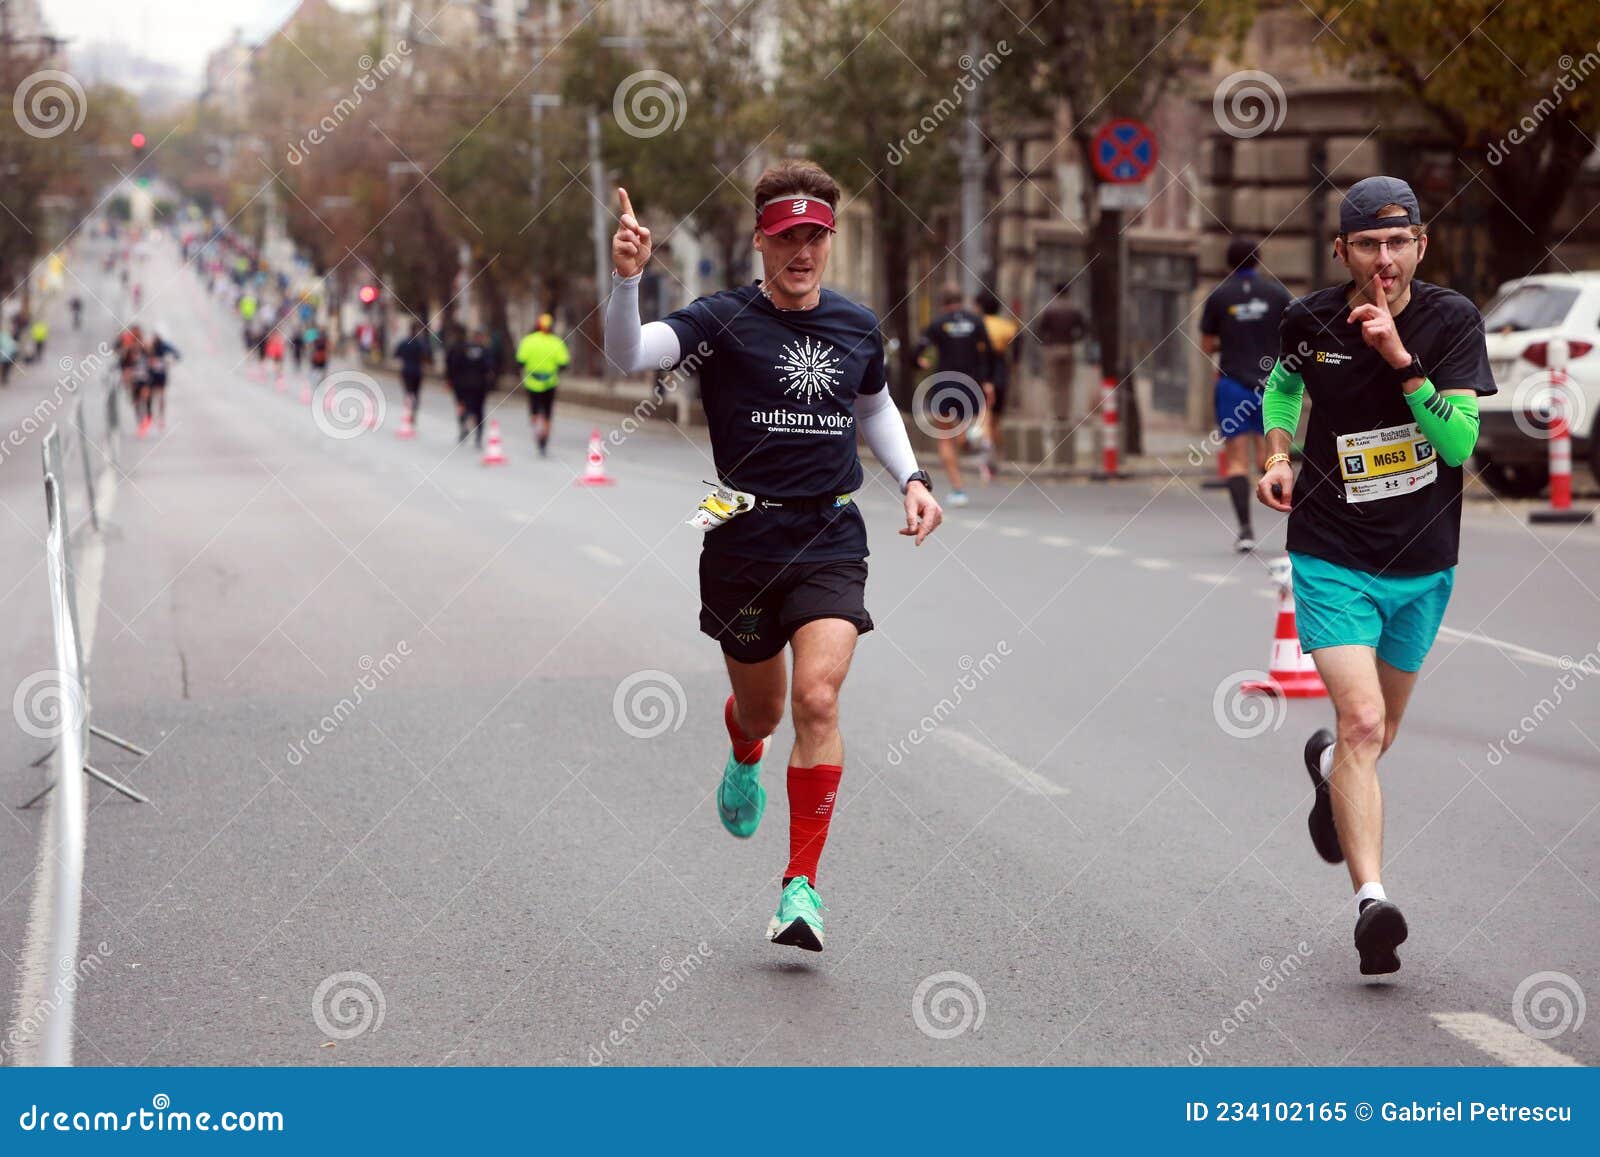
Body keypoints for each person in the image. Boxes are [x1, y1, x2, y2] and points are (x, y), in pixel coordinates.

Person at [605, 163, 941, 953]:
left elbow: (874, 404)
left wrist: (914, 477)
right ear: (761, 238)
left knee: (817, 700)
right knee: (763, 709)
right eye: (786, 236)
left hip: (829, 534)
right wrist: (626, 281)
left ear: (829, 239)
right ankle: (744, 745)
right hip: (743, 539)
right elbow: (630, 354)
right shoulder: (721, 318)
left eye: (814, 236)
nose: (801, 251)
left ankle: (801, 887)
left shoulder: (858, 324)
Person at [1256, 176, 1495, 976]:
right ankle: (1372, 903)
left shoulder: (1451, 321)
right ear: (1343, 251)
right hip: (1331, 552)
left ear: (1421, 245)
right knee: (1361, 720)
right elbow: (1285, 383)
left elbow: (1458, 444)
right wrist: (1280, 453)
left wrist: (1400, 359)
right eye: (1368, 244)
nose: (1384, 259)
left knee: (1377, 734)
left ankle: (1326, 771)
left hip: (1424, 565)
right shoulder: (1309, 319)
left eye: (1399, 243)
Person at [1201, 236, 1292, 552]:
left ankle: (1246, 530)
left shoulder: (1219, 296)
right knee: (1271, 457)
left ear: (1228, 262)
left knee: (1237, 460)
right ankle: (1292, 529)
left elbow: (1208, 345)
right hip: (1272, 386)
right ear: (1258, 259)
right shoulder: (1277, 293)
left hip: (1233, 385)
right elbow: (1292, 333)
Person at [914, 284, 993, 507]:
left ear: (942, 303)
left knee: (945, 440)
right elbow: (988, 352)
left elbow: (917, 351)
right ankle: (969, 437)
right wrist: (987, 381)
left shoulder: (938, 324)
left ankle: (958, 490)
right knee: (970, 422)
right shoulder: (976, 321)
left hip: (945, 385)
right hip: (971, 384)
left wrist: (920, 362)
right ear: (962, 299)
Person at [977, 290, 1020, 481]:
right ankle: (998, 457)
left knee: (985, 417)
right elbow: (1017, 348)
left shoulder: (978, 325)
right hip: (1001, 372)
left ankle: (987, 461)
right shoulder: (1007, 326)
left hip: (983, 371)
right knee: (995, 421)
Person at [515, 313, 570, 455]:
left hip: (532, 382)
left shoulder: (528, 341)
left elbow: (520, 361)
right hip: (550, 382)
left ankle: (537, 431)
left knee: (534, 411)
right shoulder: (556, 342)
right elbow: (564, 364)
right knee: (548, 412)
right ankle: (544, 437)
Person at [1038, 283, 1087, 424]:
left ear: (1055, 292)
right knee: (1066, 384)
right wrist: (1074, 339)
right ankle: (1064, 414)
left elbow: (1040, 330)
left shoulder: (1049, 309)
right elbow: (1084, 329)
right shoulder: (1074, 310)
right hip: (1068, 347)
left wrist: (1046, 343)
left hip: (1053, 348)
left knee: (1054, 383)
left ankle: (1055, 413)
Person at [445, 327, 496, 448]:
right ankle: (478, 435)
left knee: (462, 405)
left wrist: (450, 380)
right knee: (479, 409)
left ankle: (464, 425)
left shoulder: (461, 349)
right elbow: (490, 369)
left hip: (462, 384)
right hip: (479, 385)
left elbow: (452, 365)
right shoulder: (485, 351)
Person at [394, 323, 432, 426]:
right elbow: (427, 357)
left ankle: (409, 409)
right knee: (416, 393)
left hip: (406, 371)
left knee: (408, 393)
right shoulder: (421, 344)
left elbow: (396, 355)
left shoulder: (404, 343)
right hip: (417, 372)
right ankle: (413, 412)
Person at [145, 324, 181, 433]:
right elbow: (142, 355)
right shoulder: (149, 345)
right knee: (149, 396)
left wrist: (170, 361)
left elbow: (178, 354)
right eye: (155, 336)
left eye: (158, 336)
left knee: (161, 396)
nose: (157, 338)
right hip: (151, 375)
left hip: (161, 375)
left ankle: (161, 418)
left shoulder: (165, 345)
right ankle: (150, 416)